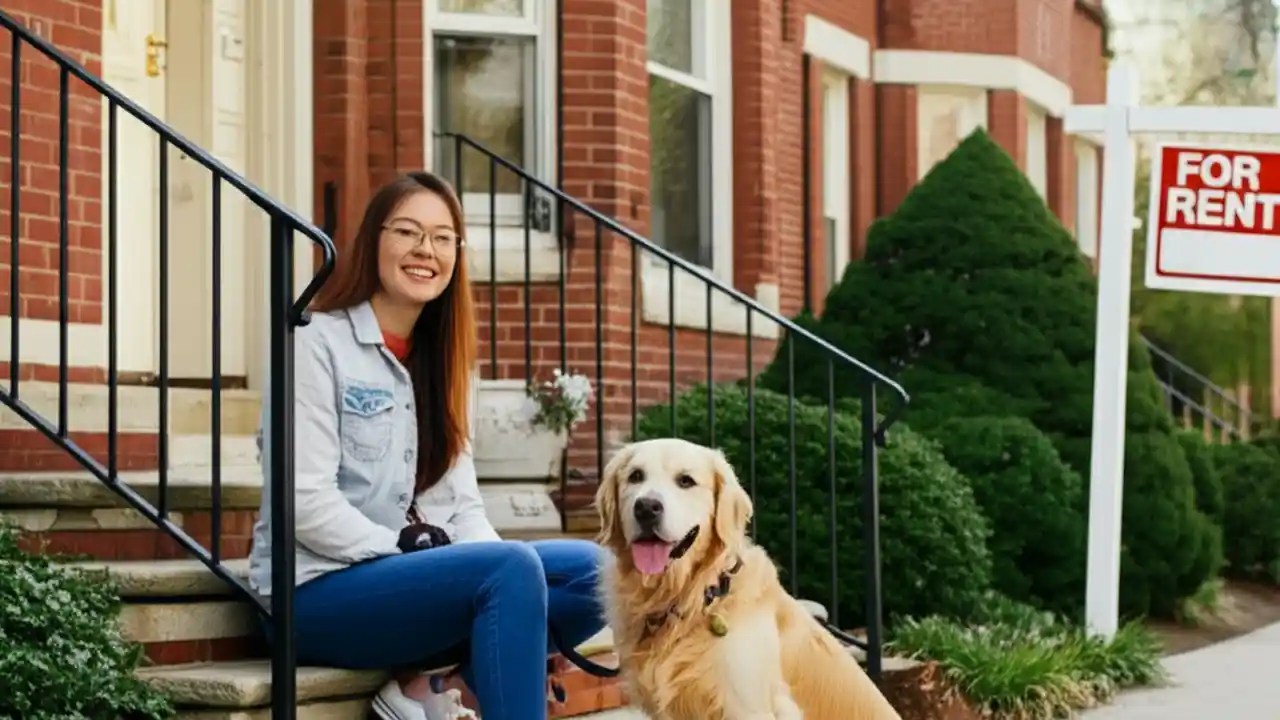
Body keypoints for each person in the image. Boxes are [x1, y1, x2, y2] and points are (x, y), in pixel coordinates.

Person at [245, 171, 607, 720]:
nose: (425, 251)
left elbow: (464, 510)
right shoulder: (315, 345)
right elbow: (305, 506)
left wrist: (490, 574)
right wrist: (411, 552)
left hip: (407, 583)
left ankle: (430, 685)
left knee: (594, 572)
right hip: (314, 594)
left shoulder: (446, 364)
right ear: (374, 241)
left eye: (443, 238)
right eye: (408, 232)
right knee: (506, 571)